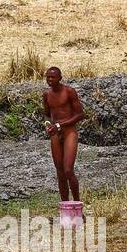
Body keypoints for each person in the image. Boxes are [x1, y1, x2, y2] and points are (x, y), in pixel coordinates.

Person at [41, 66, 84, 201]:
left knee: (68, 170)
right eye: (48, 77)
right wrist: (48, 125)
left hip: (69, 131)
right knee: (60, 172)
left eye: (53, 77)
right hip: (55, 134)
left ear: (60, 78)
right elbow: (47, 115)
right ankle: (65, 206)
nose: (50, 79)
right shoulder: (46, 94)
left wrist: (60, 125)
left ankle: (77, 204)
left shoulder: (69, 91)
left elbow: (80, 115)